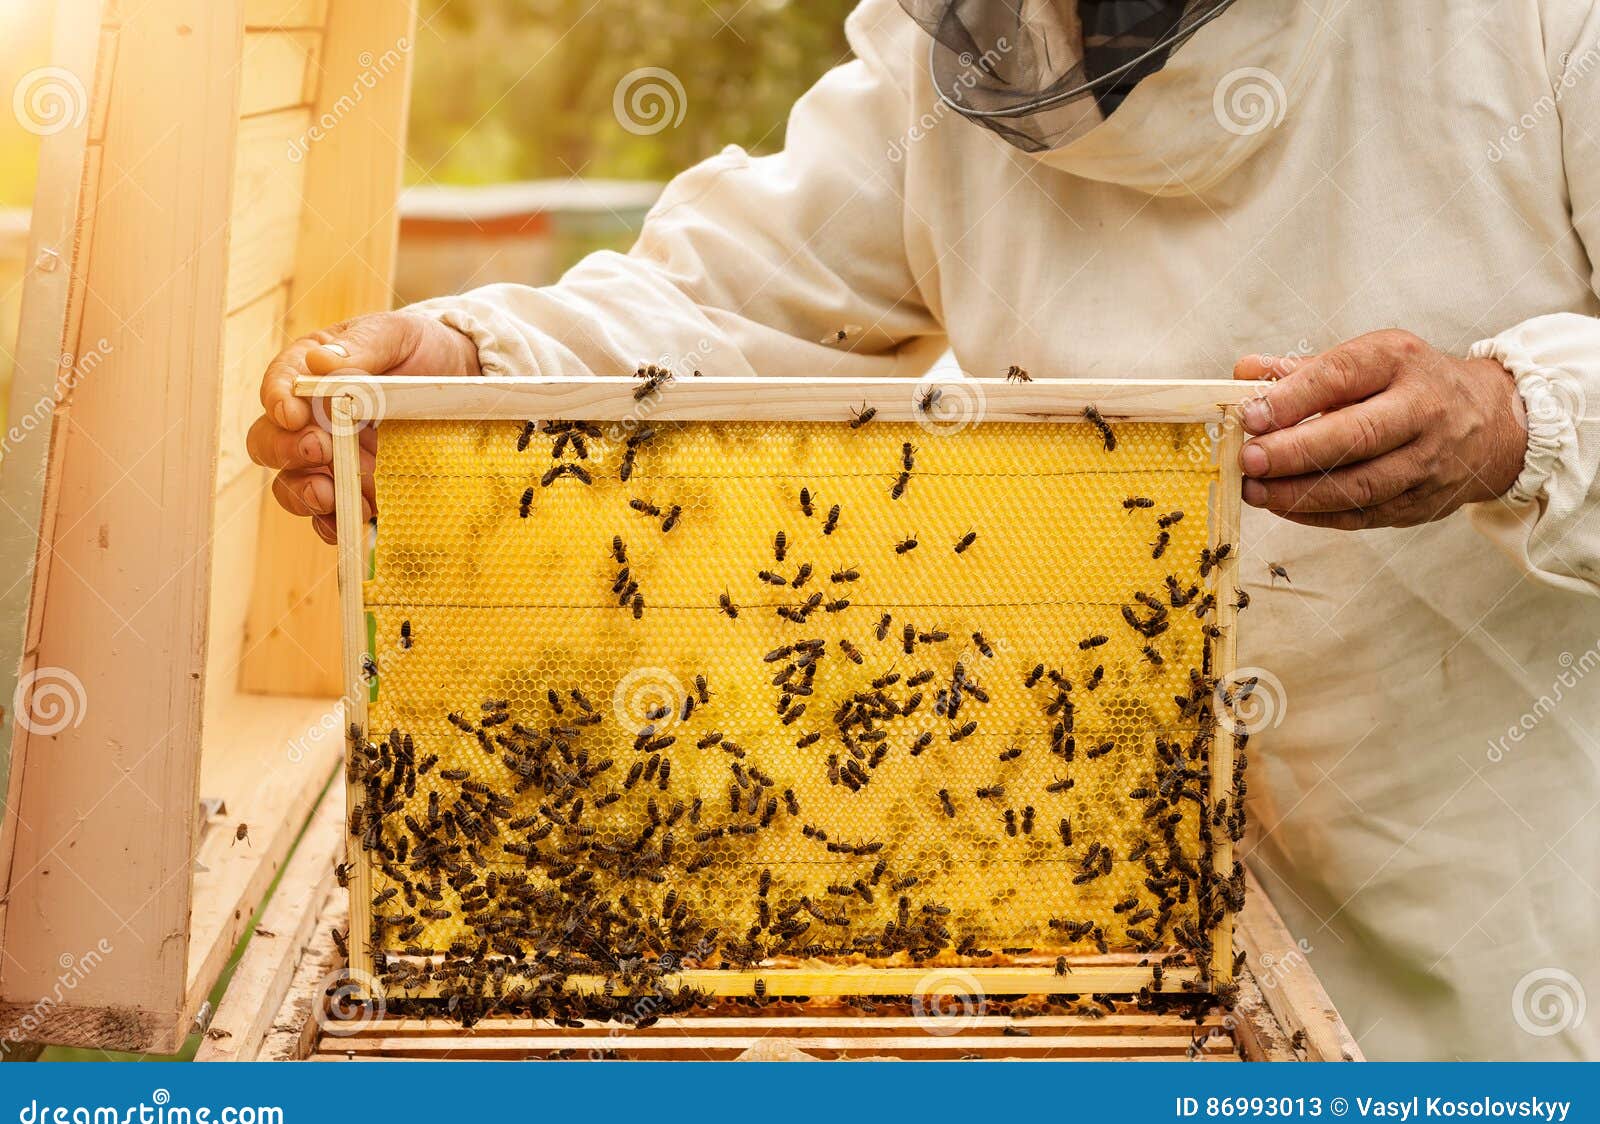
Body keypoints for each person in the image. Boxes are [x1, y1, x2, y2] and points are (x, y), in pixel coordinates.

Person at [247, 0, 1600, 1060]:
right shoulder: (956, 49)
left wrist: (1514, 419)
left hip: (1506, 916)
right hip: (1098, 920)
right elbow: (731, 306)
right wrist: (477, 365)